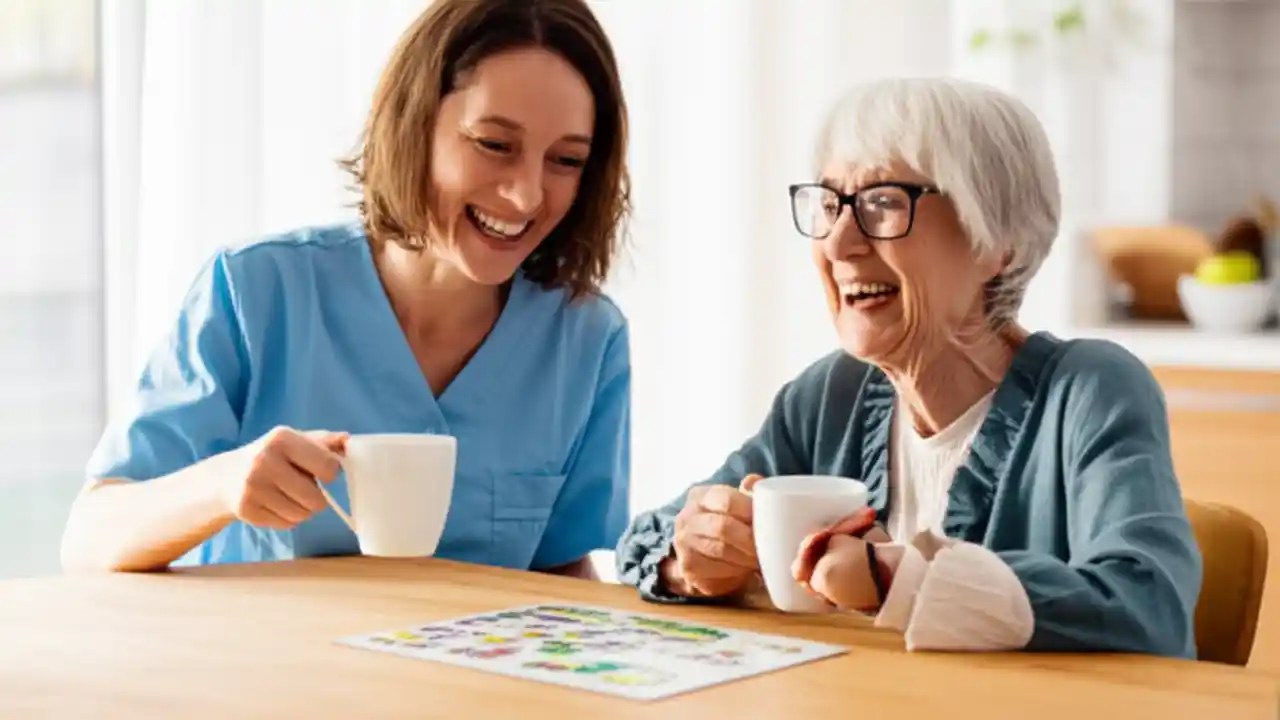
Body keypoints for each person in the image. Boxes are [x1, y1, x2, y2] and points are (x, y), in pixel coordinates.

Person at [616, 78, 1202, 657]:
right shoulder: (831, 396)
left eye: (883, 202)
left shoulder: (1091, 392)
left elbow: (1145, 604)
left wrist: (898, 577)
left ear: (998, 242)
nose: (840, 242)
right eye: (829, 203)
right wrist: (692, 558)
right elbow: (649, 538)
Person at [62, 0, 632, 578]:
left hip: (466, 670)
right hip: (264, 666)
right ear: (414, 123)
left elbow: (560, 572)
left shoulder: (586, 339)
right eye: (494, 144)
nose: (526, 196)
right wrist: (223, 484)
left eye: (566, 159)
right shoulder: (255, 292)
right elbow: (89, 537)